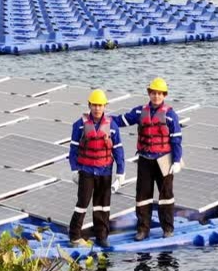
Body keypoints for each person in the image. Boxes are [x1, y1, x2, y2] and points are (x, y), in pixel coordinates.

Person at [114, 78, 183, 241]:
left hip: (164, 159)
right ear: (149, 94)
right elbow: (121, 120)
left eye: (159, 93)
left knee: (166, 195)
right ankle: (143, 229)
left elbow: (176, 139)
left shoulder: (171, 115)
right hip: (145, 159)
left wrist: (177, 160)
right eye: (153, 93)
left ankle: (167, 228)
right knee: (143, 195)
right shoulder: (140, 112)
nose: (156, 96)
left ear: (164, 95)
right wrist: (103, 119)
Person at [68, 89, 125, 247]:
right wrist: (74, 169)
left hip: (105, 171)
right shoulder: (79, 125)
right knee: (82, 204)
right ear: (89, 105)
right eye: (94, 105)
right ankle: (74, 236)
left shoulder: (112, 126)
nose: (97, 108)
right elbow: (73, 150)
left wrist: (121, 172)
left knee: (103, 206)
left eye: (100, 105)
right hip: (86, 171)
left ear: (105, 106)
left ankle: (102, 236)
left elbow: (118, 150)